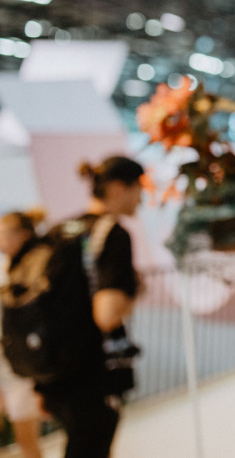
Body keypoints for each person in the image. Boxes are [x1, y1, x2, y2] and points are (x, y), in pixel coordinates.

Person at [42, 156, 143, 458]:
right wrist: (134, 292)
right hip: (90, 370)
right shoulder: (113, 233)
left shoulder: (60, 230)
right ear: (117, 188)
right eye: (138, 188)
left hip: (53, 367)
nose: (142, 197)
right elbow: (107, 314)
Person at [0, 210, 47, 458]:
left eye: (5, 235)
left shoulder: (29, 268)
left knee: (25, 437)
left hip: (19, 366)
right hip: (8, 363)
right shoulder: (8, 268)